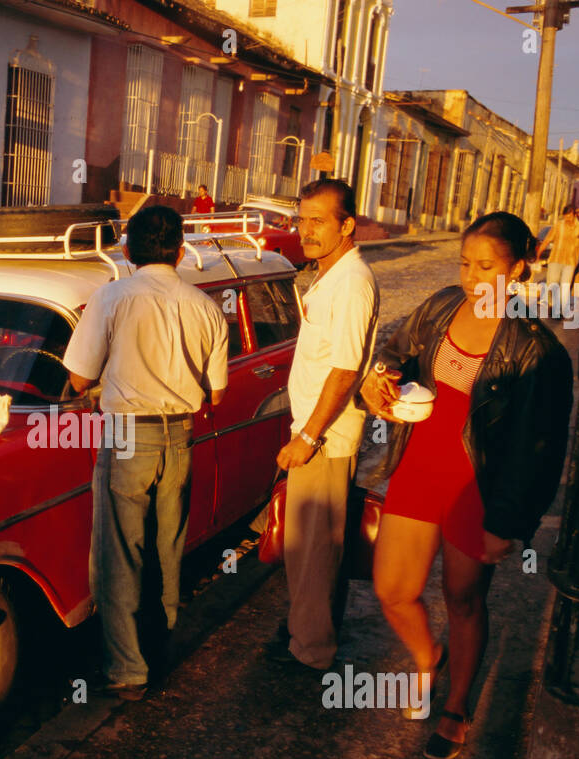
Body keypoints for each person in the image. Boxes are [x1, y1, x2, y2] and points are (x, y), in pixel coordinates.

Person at [360, 211, 573, 759]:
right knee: (392, 589)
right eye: (465, 263)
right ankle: (430, 656)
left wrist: (510, 524)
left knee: (463, 598)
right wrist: (379, 382)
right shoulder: (439, 306)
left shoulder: (537, 350)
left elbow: (541, 450)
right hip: (418, 467)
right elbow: (395, 350)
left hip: (477, 485)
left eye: (487, 266)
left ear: (520, 269)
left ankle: (456, 704)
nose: (473, 277)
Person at [63, 205, 228, 701]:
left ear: (128, 250)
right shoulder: (204, 305)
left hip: (127, 434)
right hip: (179, 435)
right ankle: (159, 643)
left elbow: (77, 378)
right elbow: (216, 393)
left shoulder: (111, 297)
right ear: (180, 252)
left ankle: (127, 670)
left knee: (118, 554)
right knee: (166, 547)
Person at [267, 179, 380, 674]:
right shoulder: (328, 276)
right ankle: (305, 632)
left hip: (325, 439)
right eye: (301, 219)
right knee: (308, 548)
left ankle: (311, 652)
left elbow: (345, 369)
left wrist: (307, 437)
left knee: (314, 553)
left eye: (318, 221)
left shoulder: (352, 282)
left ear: (347, 225)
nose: (305, 231)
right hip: (316, 433)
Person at [537, 203, 579, 309]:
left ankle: (559, 308)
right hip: (555, 259)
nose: (567, 218)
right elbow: (547, 240)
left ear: (574, 214)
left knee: (565, 286)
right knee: (552, 283)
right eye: (565, 216)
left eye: (569, 216)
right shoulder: (558, 225)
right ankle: (550, 303)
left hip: (570, 261)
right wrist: (538, 254)